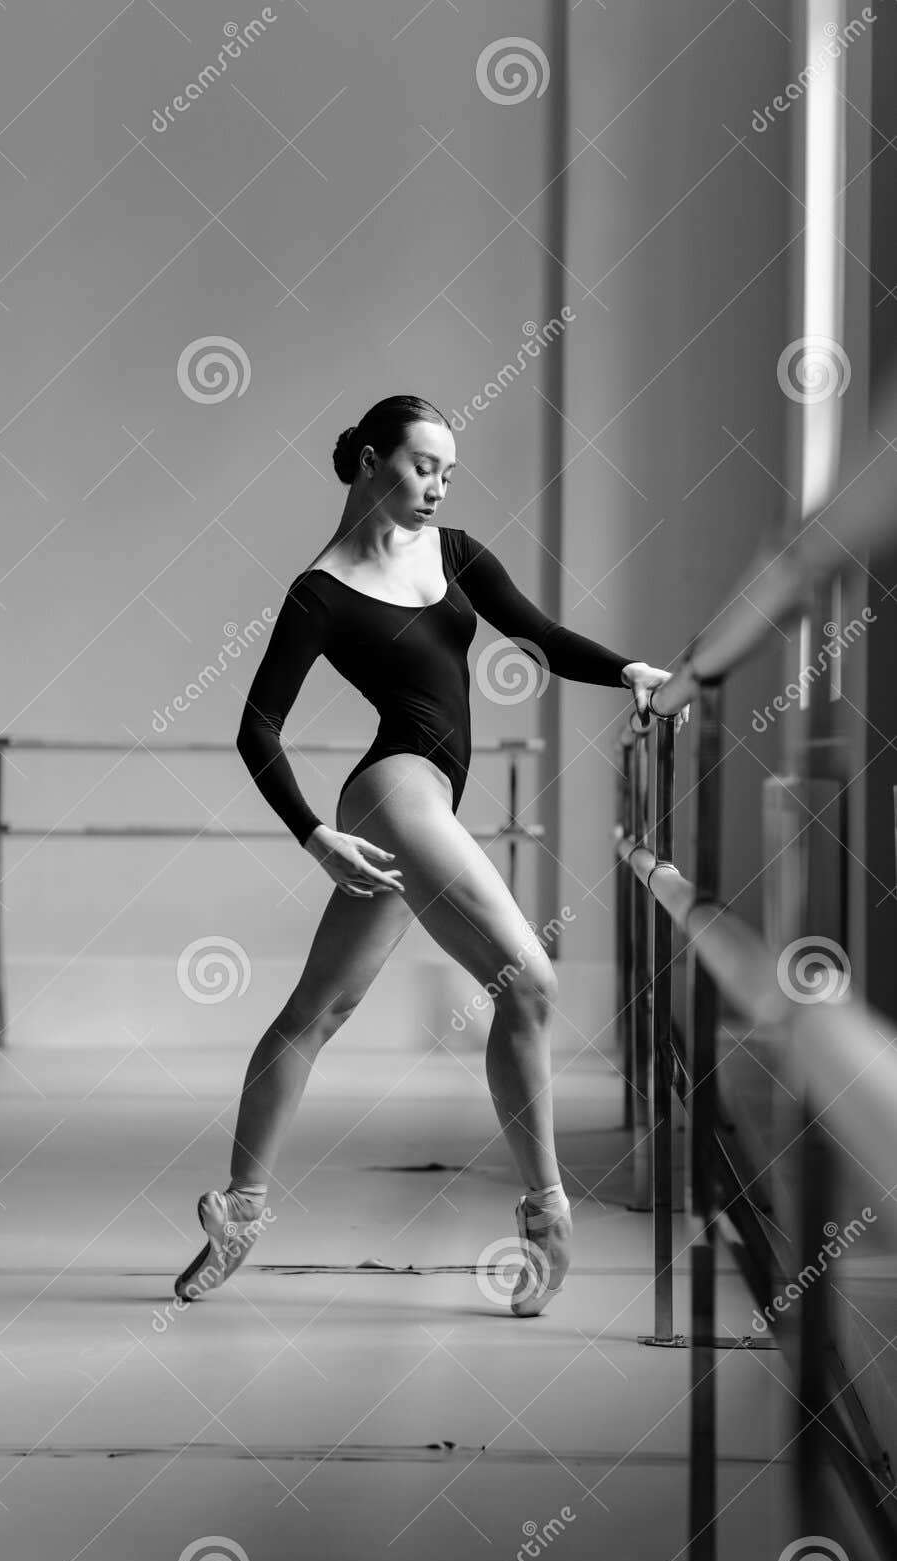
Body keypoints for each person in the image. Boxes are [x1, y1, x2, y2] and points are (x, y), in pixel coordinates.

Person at [174, 395, 687, 1317]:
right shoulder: (319, 591)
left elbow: (539, 636)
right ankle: (548, 1213)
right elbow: (257, 726)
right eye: (421, 468)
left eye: (448, 472)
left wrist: (630, 673)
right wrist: (312, 832)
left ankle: (237, 1211)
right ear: (371, 462)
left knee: (316, 1011)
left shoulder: (456, 554)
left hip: (428, 799)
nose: (438, 488)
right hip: (391, 790)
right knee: (527, 982)